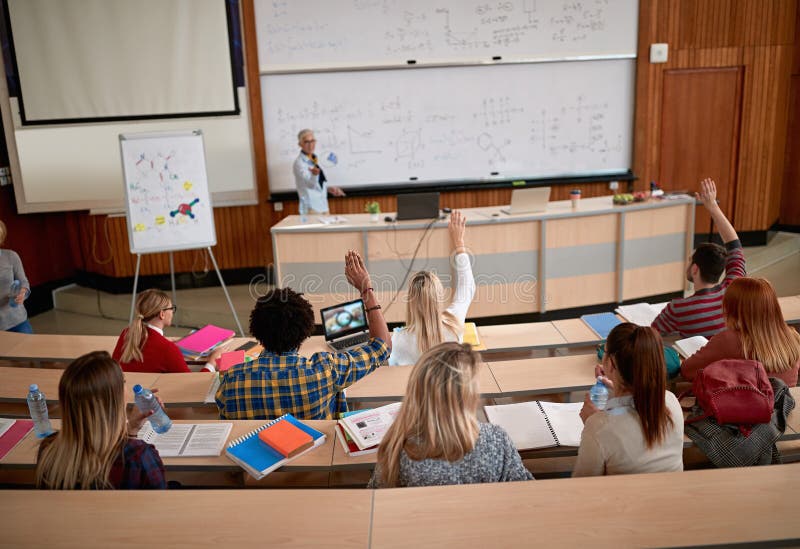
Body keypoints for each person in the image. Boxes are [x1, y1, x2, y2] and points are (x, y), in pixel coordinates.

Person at [216, 250, 391, 420]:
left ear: (255, 330)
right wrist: (365, 289)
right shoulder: (326, 370)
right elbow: (382, 347)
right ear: (306, 331)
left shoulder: (232, 380)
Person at [369, 342, 532, 488]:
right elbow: (529, 492)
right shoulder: (496, 441)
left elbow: (375, 500)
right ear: (469, 395)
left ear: (416, 390)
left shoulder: (397, 447)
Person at [36, 351, 166, 489]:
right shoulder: (140, 457)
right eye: (123, 382)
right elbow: (161, 506)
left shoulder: (48, 450)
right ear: (114, 399)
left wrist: (131, 430)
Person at [574, 323, 684, 477]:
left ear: (611, 364)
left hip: (624, 500)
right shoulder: (671, 401)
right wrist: (618, 387)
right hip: (673, 497)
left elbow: (581, 485)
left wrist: (591, 422)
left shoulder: (599, 427)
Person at [651, 178, 745, 338]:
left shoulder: (678, 309)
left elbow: (650, 336)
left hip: (700, 363)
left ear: (695, 269)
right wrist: (713, 206)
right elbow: (734, 244)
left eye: (690, 260)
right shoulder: (734, 292)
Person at [388, 210, 476, 365]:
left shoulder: (398, 340)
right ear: (438, 296)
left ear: (410, 301)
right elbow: (467, 286)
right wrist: (459, 244)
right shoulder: (454, 324)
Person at [681, 277, 800, 385]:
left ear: (731, 309)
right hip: (786, 406)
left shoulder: (728, 340)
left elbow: (687, 370)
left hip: (746, 407)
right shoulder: (793, 337)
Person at [113, 289, 221, 373]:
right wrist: (212, 361)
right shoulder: (167, 349)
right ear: (162, 314)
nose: (172, 312)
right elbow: (192, 383)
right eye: (171, 308)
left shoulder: (127, 333)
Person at [293, 129, 345, 216]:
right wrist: (314, 175)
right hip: (311, 209)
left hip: (323, 207)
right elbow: (310, 185)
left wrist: (328, 189)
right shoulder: (299, 163)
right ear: (300, 144)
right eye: (307, 142)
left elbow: (317, 183)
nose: (310, 145)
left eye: (312, 141)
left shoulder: (314, 159)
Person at [0, 220, 33, 333]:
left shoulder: (11, 256)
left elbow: (24, 282)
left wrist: (22, 293)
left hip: (18, 320)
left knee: (29, 350)